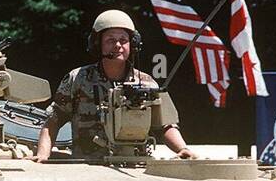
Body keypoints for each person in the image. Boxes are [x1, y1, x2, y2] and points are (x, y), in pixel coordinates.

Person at [33, 10, 193, 162]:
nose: (117, 45)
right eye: (110, 40)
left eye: (123, 40)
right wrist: (43, 154)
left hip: (135, 166)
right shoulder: (78, 78)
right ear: (98, 44)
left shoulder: (147, 83)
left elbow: (166, 125)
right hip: (87, 168)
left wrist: (182, 149)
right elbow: (53, 120)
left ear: (133, 45)